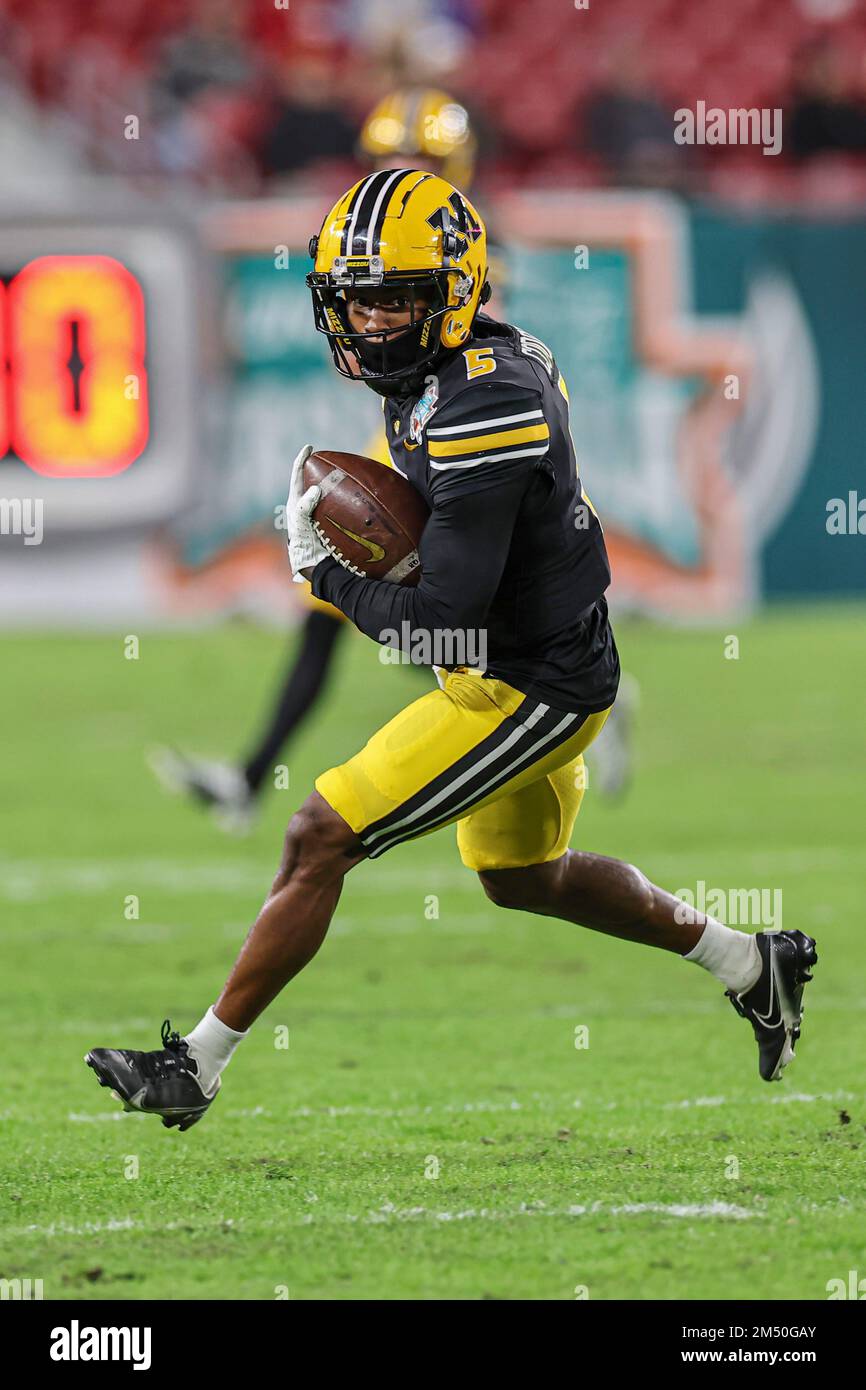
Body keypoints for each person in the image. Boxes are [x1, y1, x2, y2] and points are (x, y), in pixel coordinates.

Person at [86, 171, 817, 1130]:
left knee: (321, 834)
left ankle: (197, 1065)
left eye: (394, 298)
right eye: (355, 299)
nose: (370, 320)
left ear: (456, 292)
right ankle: (753, 963)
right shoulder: (450, 371)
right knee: (524, 879)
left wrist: (327, 576)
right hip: (533, 657)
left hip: (526, 682)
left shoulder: (487, 403)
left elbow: (445, 624)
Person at [150, 88, 635, 829]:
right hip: (422, 416)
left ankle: (556, 685)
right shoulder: (390, 233)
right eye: (390, 155)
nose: (404, 166)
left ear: (457, 160)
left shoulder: (465, 238)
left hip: (469, 420)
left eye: (426, 158)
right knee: (338, 608)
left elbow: (457, 325)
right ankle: (251, 776)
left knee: (416, 603)